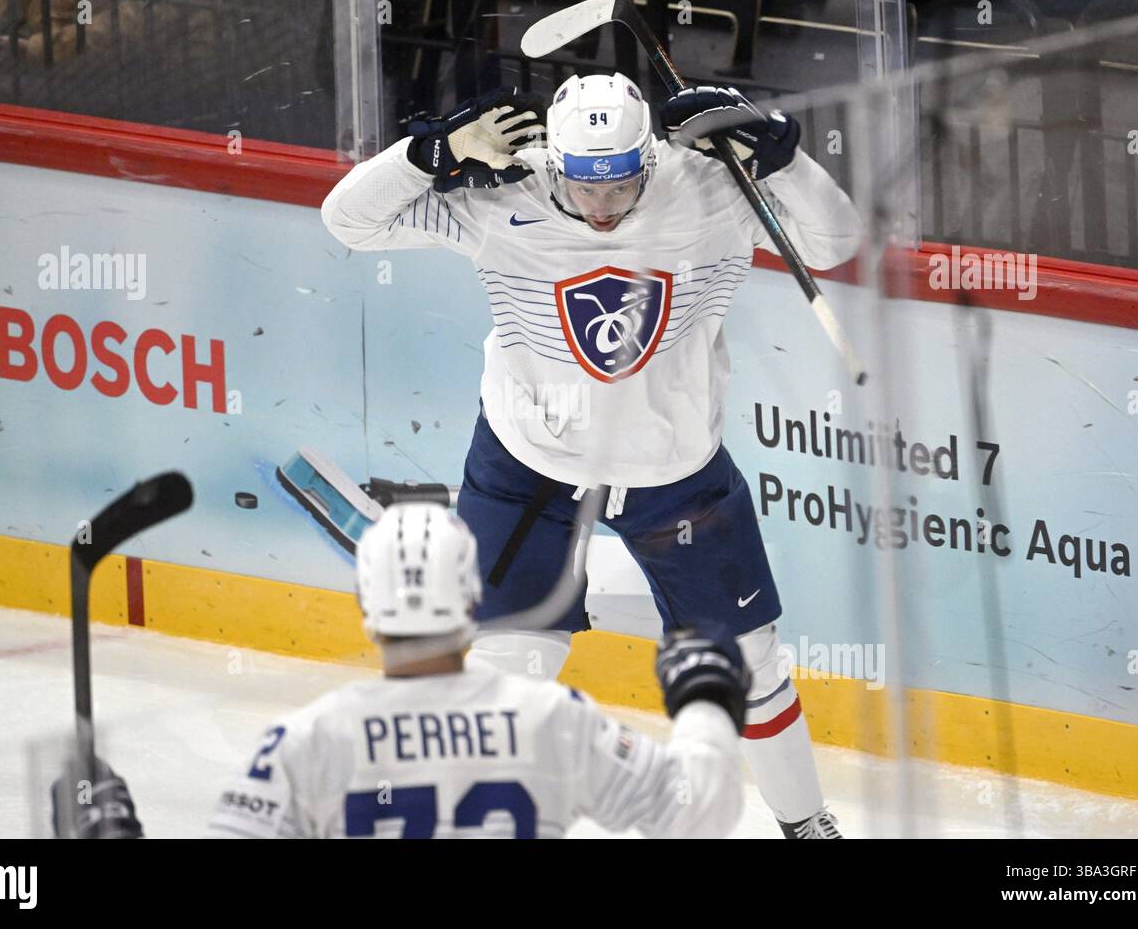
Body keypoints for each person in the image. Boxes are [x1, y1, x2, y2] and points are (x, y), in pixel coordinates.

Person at [320, 74, 859, 839]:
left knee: (753, 664)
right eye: (584, 186)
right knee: (507, 681)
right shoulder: (504, 193)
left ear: (649, 158)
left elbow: (839, 244)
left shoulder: (708, 188)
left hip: (673, 473)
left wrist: (779, 155)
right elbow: (345, 220)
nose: (603, 208)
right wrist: (431, 149)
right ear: (554, 160)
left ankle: (806, 824)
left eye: (622, 185)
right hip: (528, 470)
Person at [55, 503, 750, 839]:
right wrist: (706, 698)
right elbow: (699, 807)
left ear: (366, 609)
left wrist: (106, 832)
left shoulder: (309, 740)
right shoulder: (550, 720)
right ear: (474, 599)